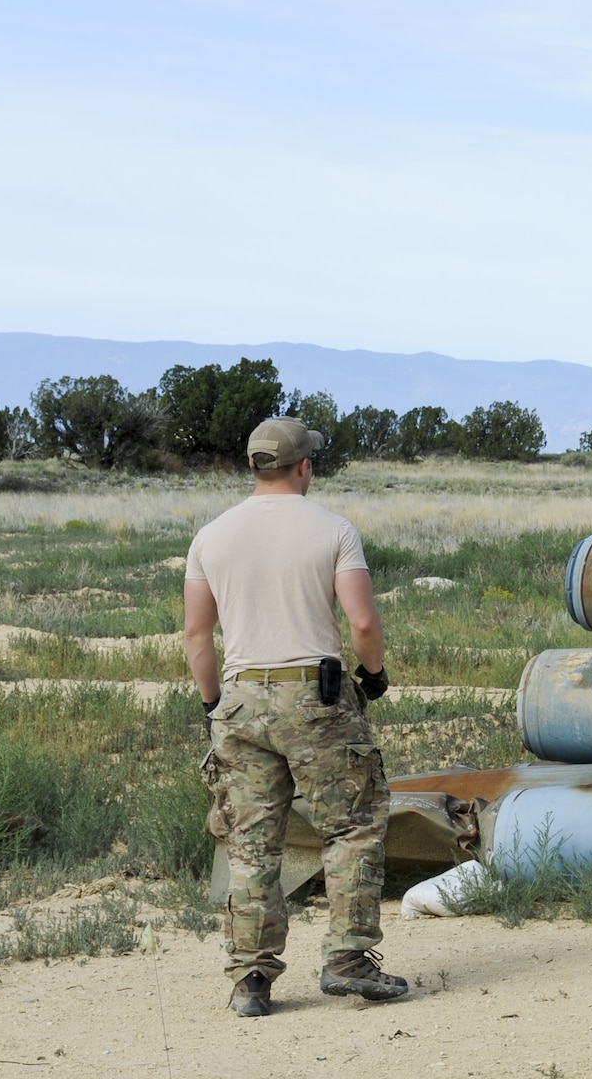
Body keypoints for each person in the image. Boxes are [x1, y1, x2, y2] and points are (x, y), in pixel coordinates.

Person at [184, 416, 404, 1018]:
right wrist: (372, 675)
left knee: (251, 844)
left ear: (254, 466)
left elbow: (197, 634)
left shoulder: (212, 536)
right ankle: (348, 959)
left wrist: (214, 704)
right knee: (352, 826)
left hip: (240, 701)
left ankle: (251, 979)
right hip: (315, 698)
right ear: (304, 465)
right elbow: (362, 621)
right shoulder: (333, 530)